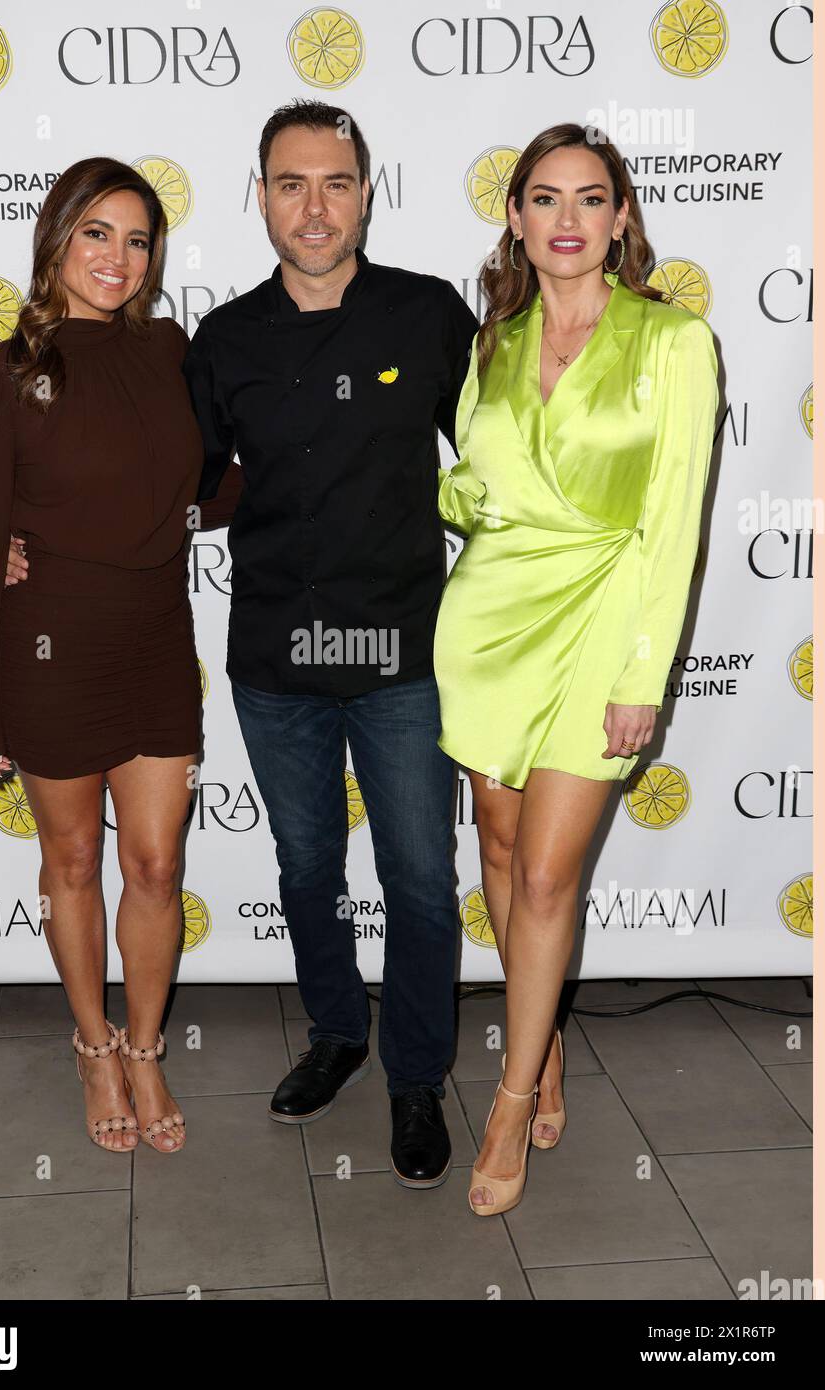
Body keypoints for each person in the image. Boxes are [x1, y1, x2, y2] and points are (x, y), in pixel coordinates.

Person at [180, 100, 478, 1188]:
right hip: (277, 656)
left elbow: (500, 456)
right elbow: (198, 490)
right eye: (291, 183)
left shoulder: (427, 314)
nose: (314, 206)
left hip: (402, 651)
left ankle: (412, 1073)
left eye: (335, 182)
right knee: (306, 865)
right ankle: (335, 1032)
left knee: (417, 877)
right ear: (258, 194)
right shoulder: (224, 339)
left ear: (366, 192)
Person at [433, 124, 719, 1215]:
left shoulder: (671, 342)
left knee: (548, 874)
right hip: (489, 619)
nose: (564, 219)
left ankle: (509, 1097)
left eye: (588, 199)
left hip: (606, 618)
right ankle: (542, 1040)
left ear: (619, 218)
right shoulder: (490, 342)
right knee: (499, 850)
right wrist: (440, 498)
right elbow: (475, 484)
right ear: (513, 217)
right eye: (542, 199)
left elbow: (671, 521)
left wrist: (642, 672)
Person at [0, 156, 235, 1155]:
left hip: (156, 638)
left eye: (138, 238)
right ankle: (91, 1043)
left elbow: (206, 481)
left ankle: (145, 1046)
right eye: (96, 233)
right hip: (49, 649)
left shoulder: (169, 349)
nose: (117, 257)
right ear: (57, 238)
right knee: (71, 856)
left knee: (156, 863)